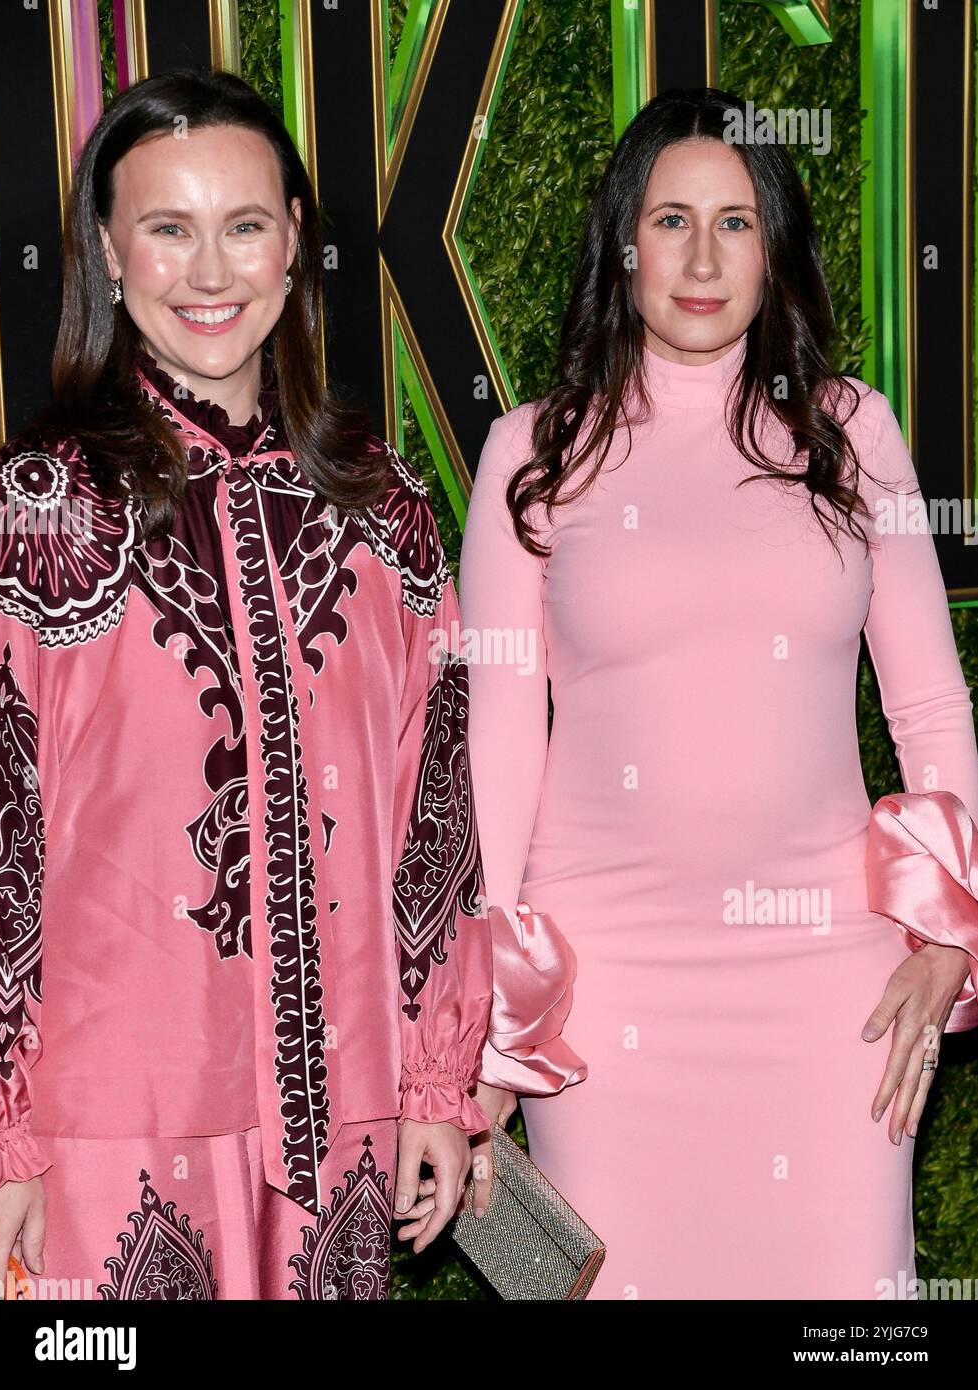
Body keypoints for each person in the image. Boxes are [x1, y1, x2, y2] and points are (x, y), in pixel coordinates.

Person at [459, 87, 978, 1300]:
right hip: (605, 1001)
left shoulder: (854, 433)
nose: (702, 258)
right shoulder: (533, 454)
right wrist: (487, 1006)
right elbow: (500, 739)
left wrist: (952, 932)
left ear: (773, 247)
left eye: (735, 222)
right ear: (622, 246)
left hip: (832, 986)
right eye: (671, 220)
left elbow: (931, 708)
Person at [0, 68, 492, 1302]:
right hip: (104, 1134)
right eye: (168, 228)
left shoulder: (386, 508)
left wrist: (436, 1081)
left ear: (295, 241)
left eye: (244, 225)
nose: (209, 271)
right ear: (109, 251)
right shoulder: (30, 510)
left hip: (347, 1130)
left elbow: (437, 816)